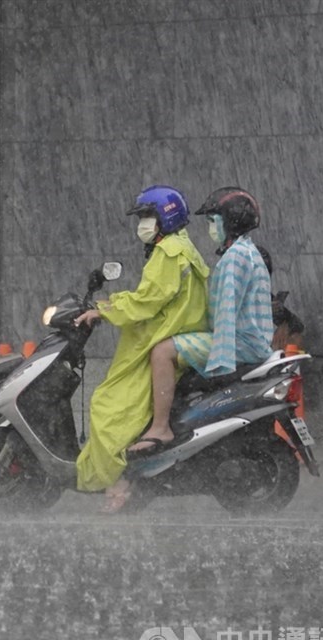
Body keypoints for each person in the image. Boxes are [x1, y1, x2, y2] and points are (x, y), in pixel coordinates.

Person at [73, 185, 210, 512]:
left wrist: (103, 310)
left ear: (165, 216)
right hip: (171, 331)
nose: (143, 224)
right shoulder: (181, 247)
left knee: (109, 406)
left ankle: (114, 479)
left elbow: (148, 301)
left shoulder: (169, 252)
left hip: (161, 335)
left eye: (148, 216)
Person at [128, 187, 274, 460]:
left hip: (240, 344)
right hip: (250, 341)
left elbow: (227, 313)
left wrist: (220, 361)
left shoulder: (236, 258)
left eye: (212, 221)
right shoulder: (246, 252)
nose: (209, 228)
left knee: (162, 351)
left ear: (230, 221)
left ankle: (160, 429)